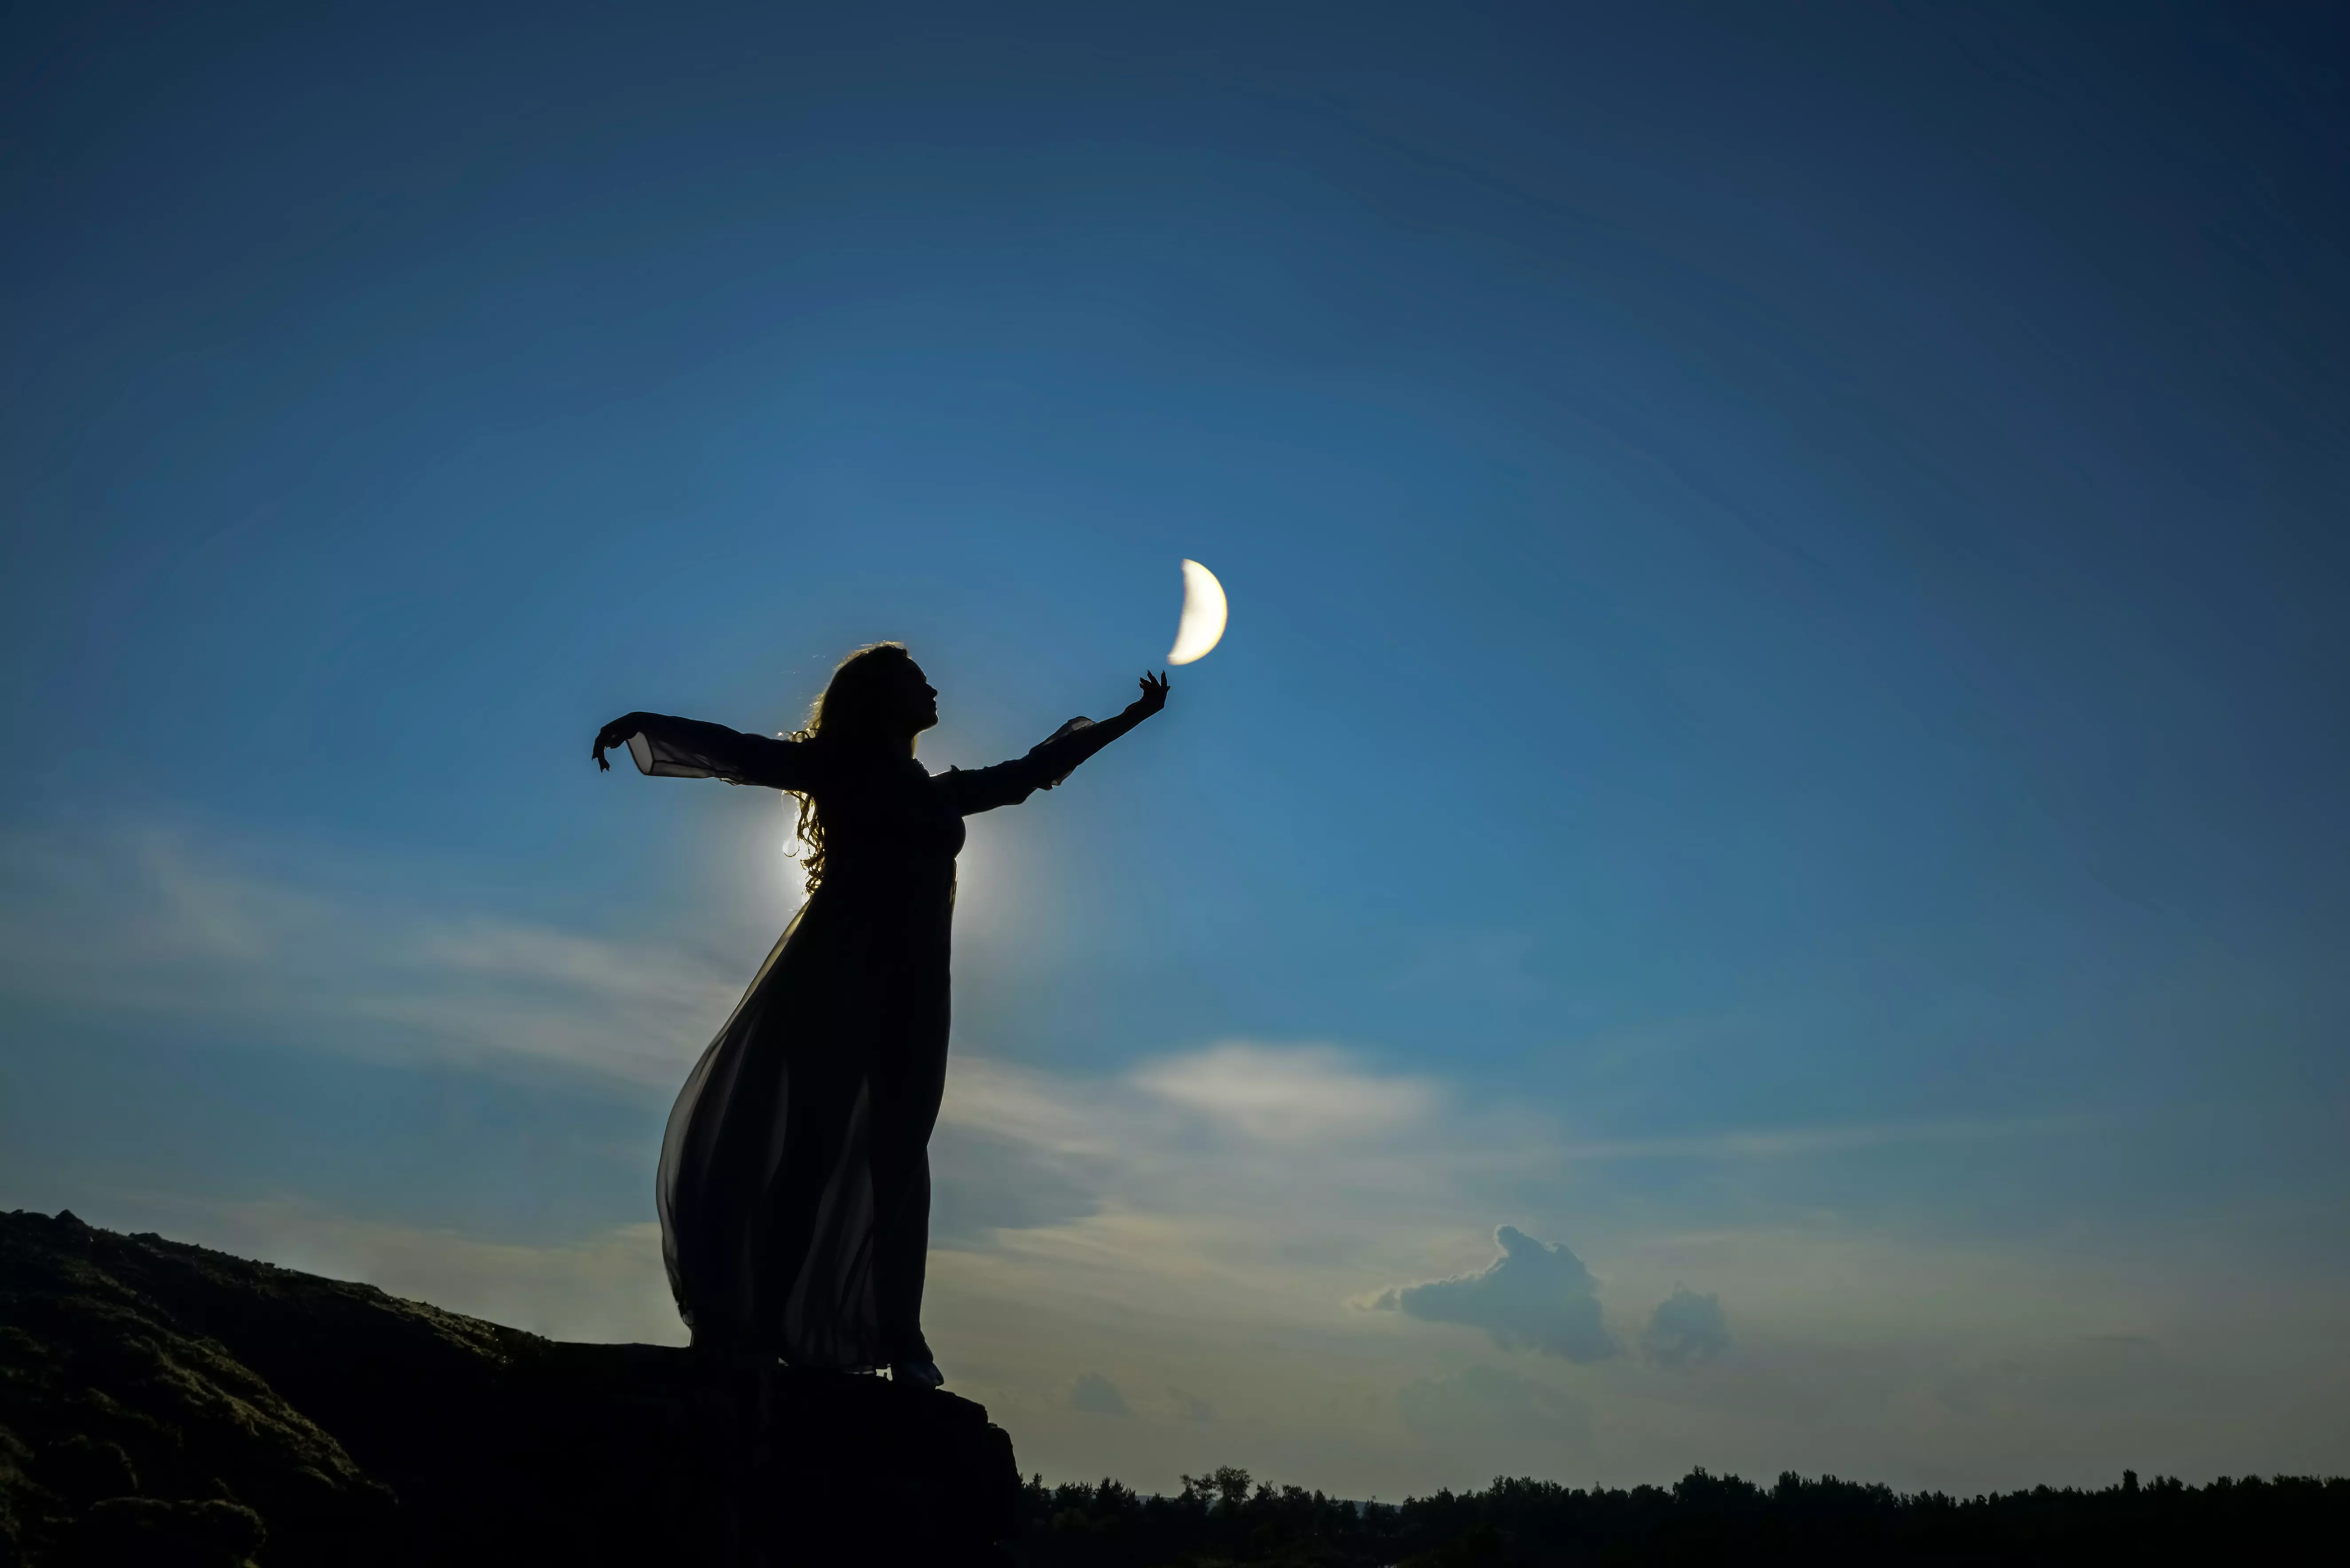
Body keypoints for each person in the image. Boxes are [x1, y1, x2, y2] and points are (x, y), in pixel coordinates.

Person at [593, 645, 1168, 1387]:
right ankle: (766, 1325)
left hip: (918, 990)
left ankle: (901, 1337)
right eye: (915, 680)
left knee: (901, 1157)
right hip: (837, 975)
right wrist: (645, 724)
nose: (932, 688)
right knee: (814, 1147)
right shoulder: (838, 767)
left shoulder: (934, 792)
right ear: (880, 700)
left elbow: (1028, 774)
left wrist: (1131, 718)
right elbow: (738, 752)